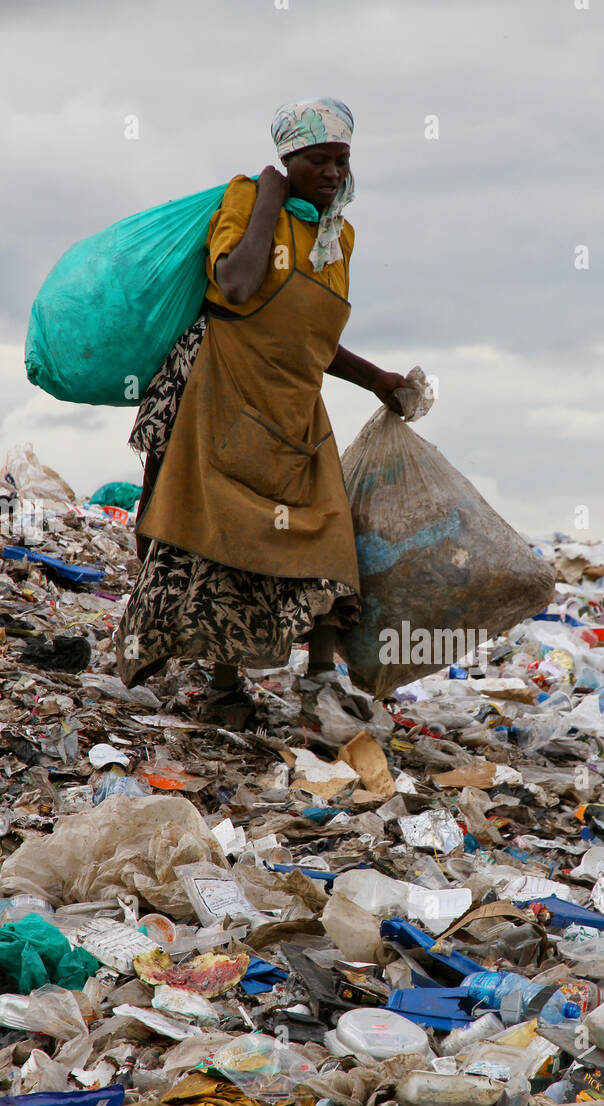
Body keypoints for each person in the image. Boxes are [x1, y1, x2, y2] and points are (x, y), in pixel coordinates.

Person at [116, 97, 409, 727]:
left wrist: (380, 381)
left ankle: (322, 684)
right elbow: (239, 285)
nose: (333, 173)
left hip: (296, 409)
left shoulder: (339, 236)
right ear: (287, 159)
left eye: (342, 160)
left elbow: (311, 337)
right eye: (317, 160)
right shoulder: (248, 201)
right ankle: (225, 692)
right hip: (223, 397)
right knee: (223, 545)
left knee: (331, 538)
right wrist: (269, 201)